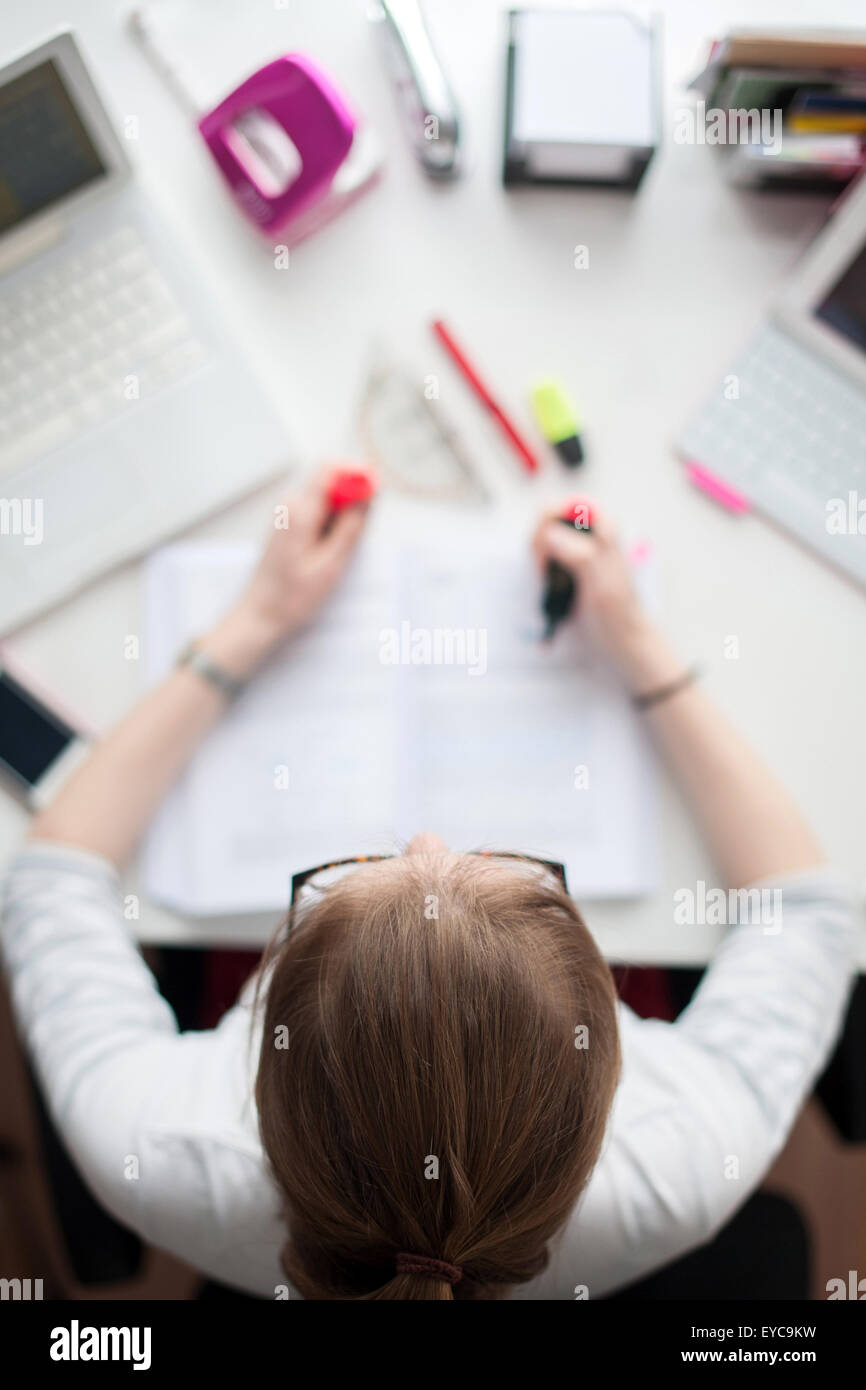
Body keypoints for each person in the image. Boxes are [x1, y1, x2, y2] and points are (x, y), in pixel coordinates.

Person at [0, 467, 857, 1300]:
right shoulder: (679, 1157)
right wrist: (637, 642)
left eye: (370, 872)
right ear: (612, 1060)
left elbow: (51, 876)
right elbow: (809, 908)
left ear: (266, 1038)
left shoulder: (160, 1146)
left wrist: (255, 622)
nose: (427, 833)